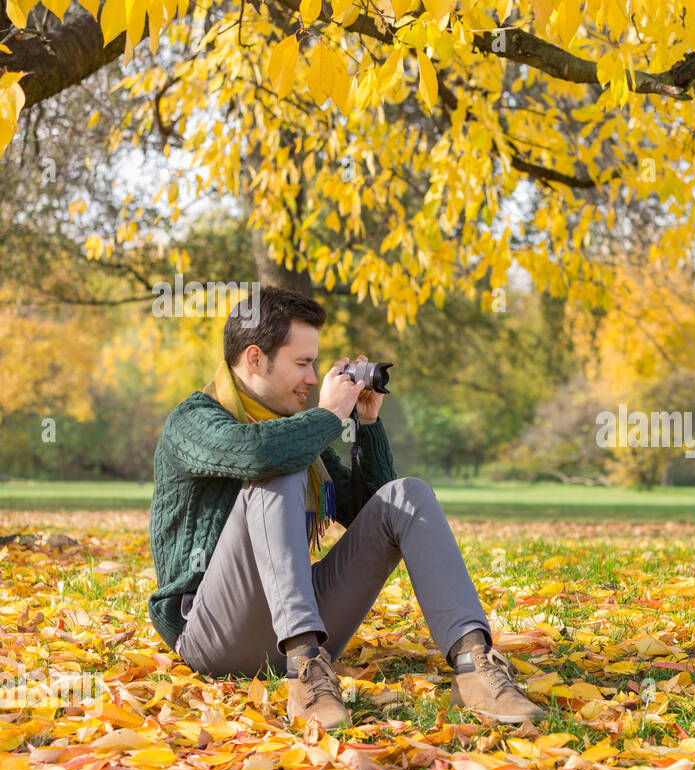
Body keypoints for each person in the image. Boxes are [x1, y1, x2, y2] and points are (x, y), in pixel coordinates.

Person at [147, 286, 542, 730]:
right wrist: (329, 418)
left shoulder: (291, 432)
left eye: (314, 363)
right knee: (281, 464)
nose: (313, 379)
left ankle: (475, 666)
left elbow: (367, 510)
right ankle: (305, 673)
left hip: (302, 629)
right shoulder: (193, 420)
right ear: (255, 359)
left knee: (407, 495)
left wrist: (365, 424)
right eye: (302, 363)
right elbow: (258, 455)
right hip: (212, 635)